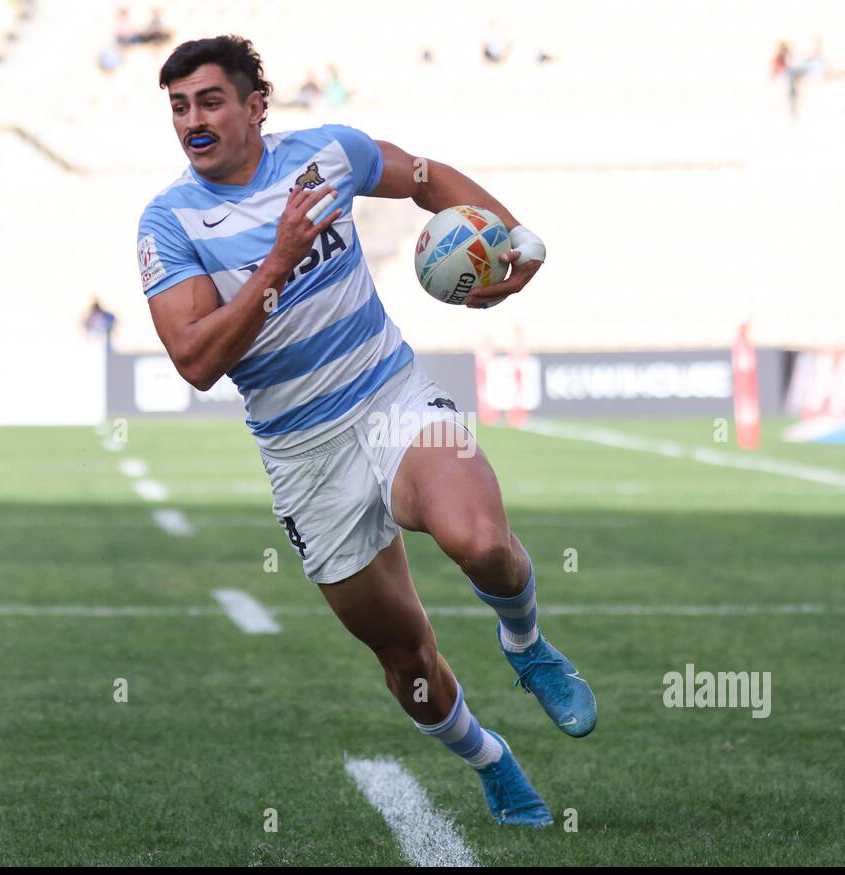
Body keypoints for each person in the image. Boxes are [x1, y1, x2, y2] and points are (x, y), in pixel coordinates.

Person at [136, 35, 595, 828]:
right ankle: (492, 759)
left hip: (391, 397)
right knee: (406, 656)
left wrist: (509, 244)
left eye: (209, 101)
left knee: (480, 539)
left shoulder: (327, 155)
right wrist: (278, 261)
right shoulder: (169, 223)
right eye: (178, 107)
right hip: (304, 457)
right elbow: (195, 359)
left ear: (255, 105)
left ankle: (525, 645)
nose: (192, 121)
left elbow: (426, 177)